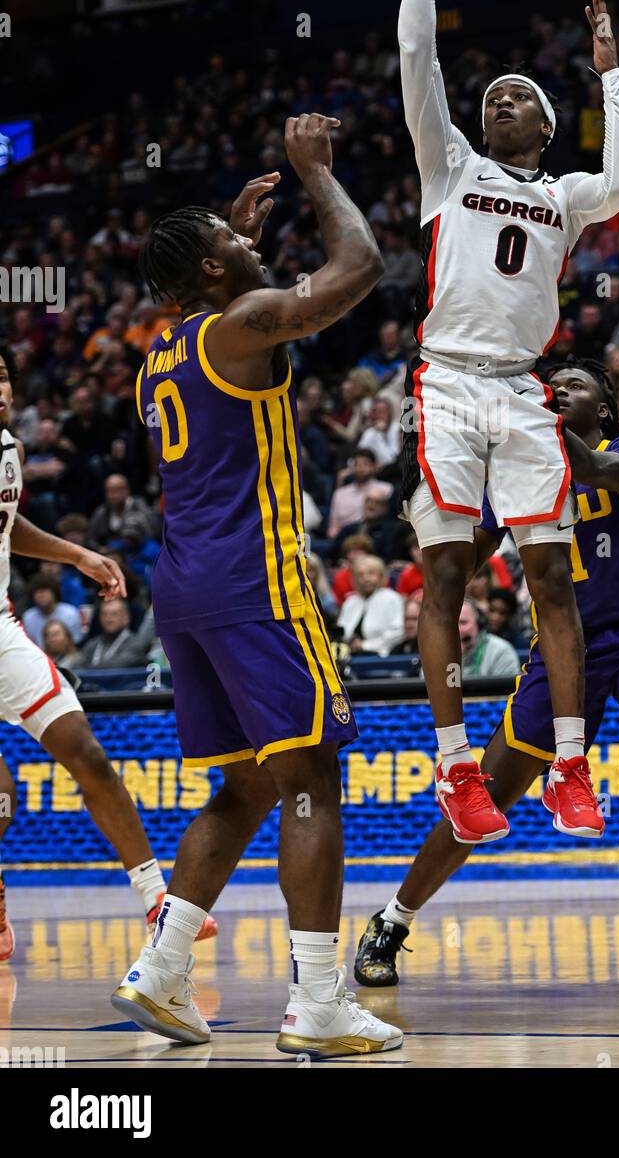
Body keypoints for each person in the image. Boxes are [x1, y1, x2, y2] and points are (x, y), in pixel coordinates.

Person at [353, 358, 619, 987]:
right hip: (562, 656)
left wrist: (521, 416)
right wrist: (436, 518)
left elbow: (591, 468)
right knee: (490, 794)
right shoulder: (519, 476)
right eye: (550, 384)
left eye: (573, 386)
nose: (558, 390)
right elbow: (466, 560)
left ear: (605, 408)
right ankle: (391, 922)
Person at [114, 117, 401, 1057]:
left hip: (185, 593)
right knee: (312, 774)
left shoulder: (170, 347)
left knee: (241, 790)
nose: (250, 242)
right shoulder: (242, 325)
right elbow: (359, 268)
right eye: (236, 243)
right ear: (209, 275)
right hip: (257, 587)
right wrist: (319, 176)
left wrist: (239, 251)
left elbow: (248, 305)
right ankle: (317, 1003)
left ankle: (161, 971)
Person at [378, 0, 619, 844]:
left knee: (552, 580)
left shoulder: (565, 195)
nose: (499, 101)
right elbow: (415, 52)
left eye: (519, 96)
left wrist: (607, 70)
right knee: (444, 577)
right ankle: (455, 770)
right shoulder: (447, 166)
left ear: (544, 122)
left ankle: (569, 763)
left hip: (524, 391)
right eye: (489, 94)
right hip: (447, 381)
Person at [0, 347, 213, 966]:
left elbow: (7, 524)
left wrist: (78, 555)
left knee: (85, 751)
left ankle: (155, 898)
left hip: (3, 629)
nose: (1, 390)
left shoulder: (10, 448)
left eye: (6, 376)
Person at [338, 556, 406, 656]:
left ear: (381, 576)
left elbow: (398, 633)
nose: (366, 579)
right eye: (360, 575)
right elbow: (341, 631)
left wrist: (364, 645)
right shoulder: (350, 602)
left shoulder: (392, 598)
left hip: (382, 656)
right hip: (349, 657)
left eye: (371, 573)